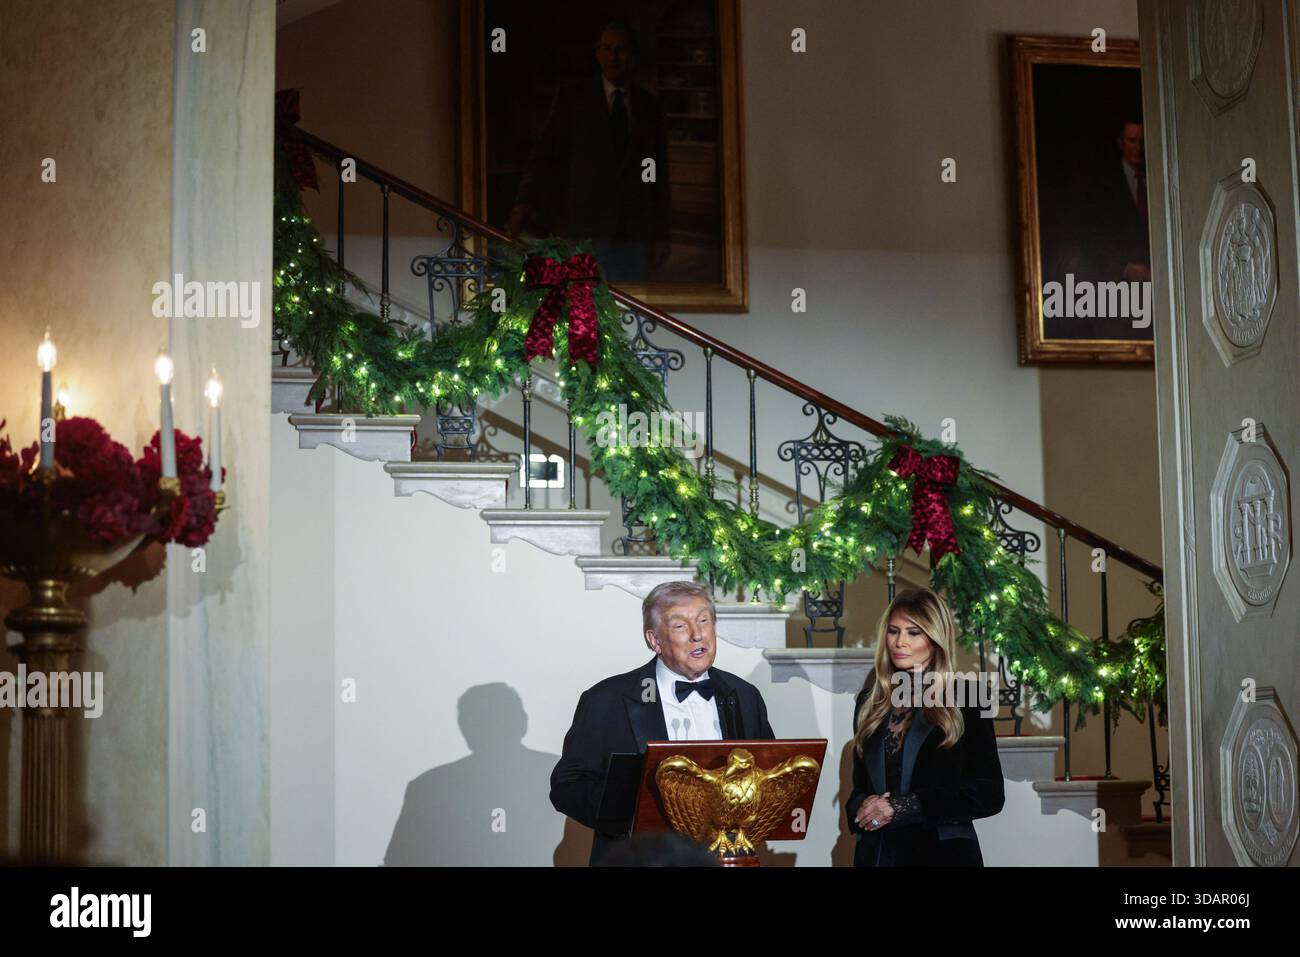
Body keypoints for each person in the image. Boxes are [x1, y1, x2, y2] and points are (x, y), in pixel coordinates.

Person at [550, 580, 775, 865]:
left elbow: (765, 778)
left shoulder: (744, 696)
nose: (697, 635)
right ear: (654, 640)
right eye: (680, 626)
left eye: (704, 621)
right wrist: (631, 810)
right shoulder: (607, 699)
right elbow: (567, 787)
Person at [845, 587, 1004, 866]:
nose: (899, 642)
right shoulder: (870, 702)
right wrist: (862, 805)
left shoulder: (968, 697)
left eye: (913, 633)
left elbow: (988, 794)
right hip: (878, 855)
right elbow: (859, 787)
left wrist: (903, 807)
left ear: (935, 639)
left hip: (942, 856)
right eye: (893, 631)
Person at [505, 21, 671, 282]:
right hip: (585, 227)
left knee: (631, 305)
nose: (613, 57)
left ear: (633, 56)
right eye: (607, 49)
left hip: (633, 231)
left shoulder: (649, 106)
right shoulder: (574, 98)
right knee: (584, 305)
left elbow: (658, 174)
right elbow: (545, 154)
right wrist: (523, 203)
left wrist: (661, 233)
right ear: (598, 54)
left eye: (621, 49)